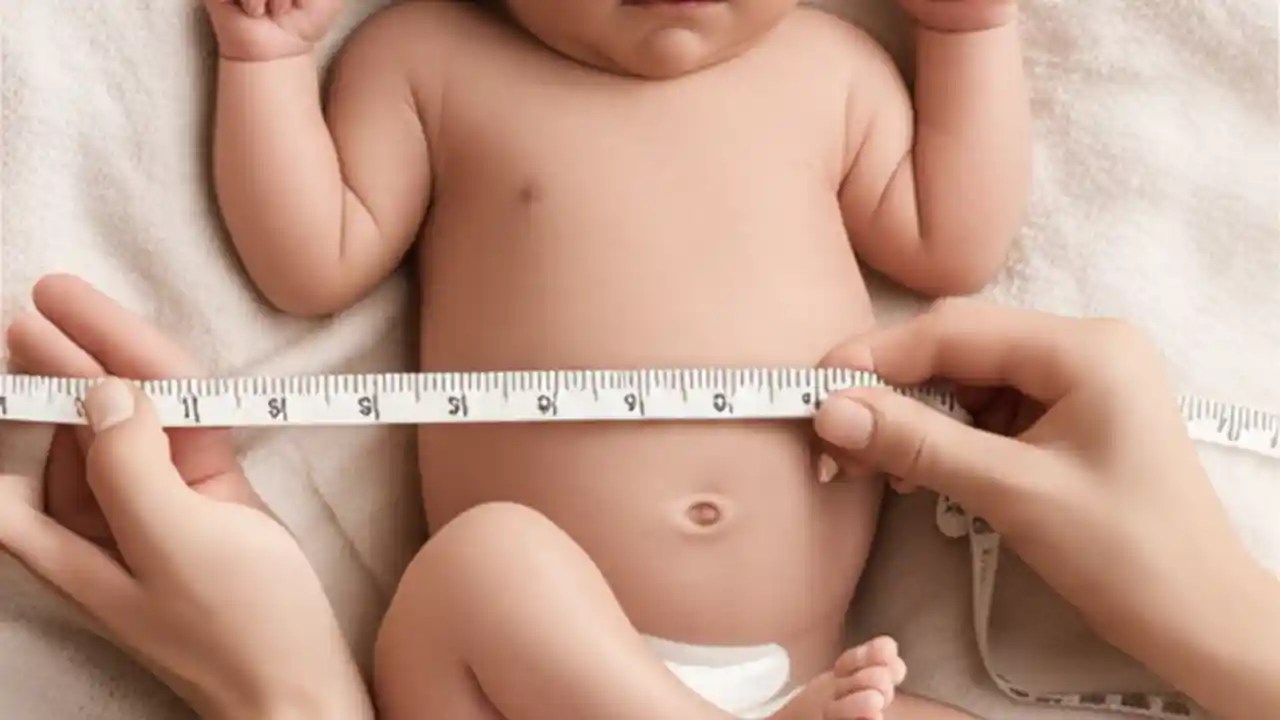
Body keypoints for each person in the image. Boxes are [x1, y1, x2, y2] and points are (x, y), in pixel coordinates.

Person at [200, 0, 1031, 713]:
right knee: (483, 564)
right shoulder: (428, 60)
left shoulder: (833, 69)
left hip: (802, 686)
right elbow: (312, 262)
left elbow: (949, 243)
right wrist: (268, 56)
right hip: (503, 679)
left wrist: (964, 27)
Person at [0, 282, 1275, 720]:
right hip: (765, 681)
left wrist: (285, 696)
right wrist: (1227, 631)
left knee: (487, 563)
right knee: (487, 569)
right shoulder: (442, 56)